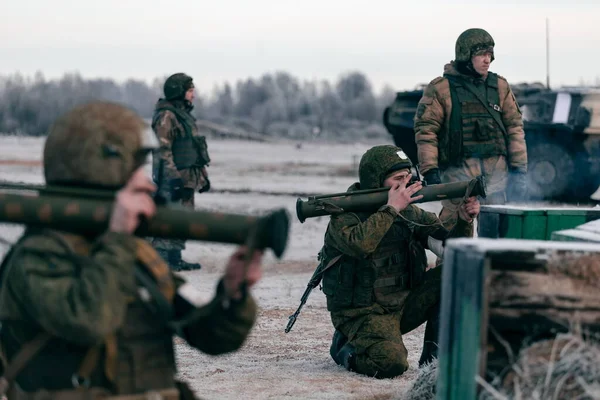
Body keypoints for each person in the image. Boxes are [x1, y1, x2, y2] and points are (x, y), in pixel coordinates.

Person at [0, 102, 261, 399]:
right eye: (135, 167)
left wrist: (232, 293)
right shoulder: (39, 255)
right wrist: (119, 241)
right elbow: (89, 320)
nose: (148, 184)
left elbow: (210, 336)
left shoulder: (134, 255)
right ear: (98, 169)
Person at [322, 145, 480, 378]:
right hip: (363, 313)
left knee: (456, 275)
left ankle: (433, 365)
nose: (406, 185)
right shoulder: (344, 215)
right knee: (391, 364)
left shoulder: (410, 214)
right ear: (375, 181)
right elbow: (361, 244)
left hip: (404, 303)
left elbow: (452, 251)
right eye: (398, 179)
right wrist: (391, 209)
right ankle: (345, 348)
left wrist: (464, 221)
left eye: (408, 177)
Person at [414, 28, 527, 235]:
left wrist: (519, 169)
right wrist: (430, 170)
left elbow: (515, 128)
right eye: (481, 54)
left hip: (496, 180)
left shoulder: (499, 87)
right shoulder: (442, 89)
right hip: (458, 179)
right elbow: (426, 131)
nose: (487, 60)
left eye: (490, 55)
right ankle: (448, 269)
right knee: (451, 241)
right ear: (466, 55)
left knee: (496, 243)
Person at [151, 72, 211, 271]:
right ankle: (162, 259)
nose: (193, 95)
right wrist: (172, 178)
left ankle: (175, 257)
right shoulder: (166, 116)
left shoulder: (183, 116)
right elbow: (162, 149)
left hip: (187, 178)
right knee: (168, 218)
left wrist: (202, 176)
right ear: (179, 92)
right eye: (190, 91)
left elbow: (194, 149)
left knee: (183, 218)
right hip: (173, 178)